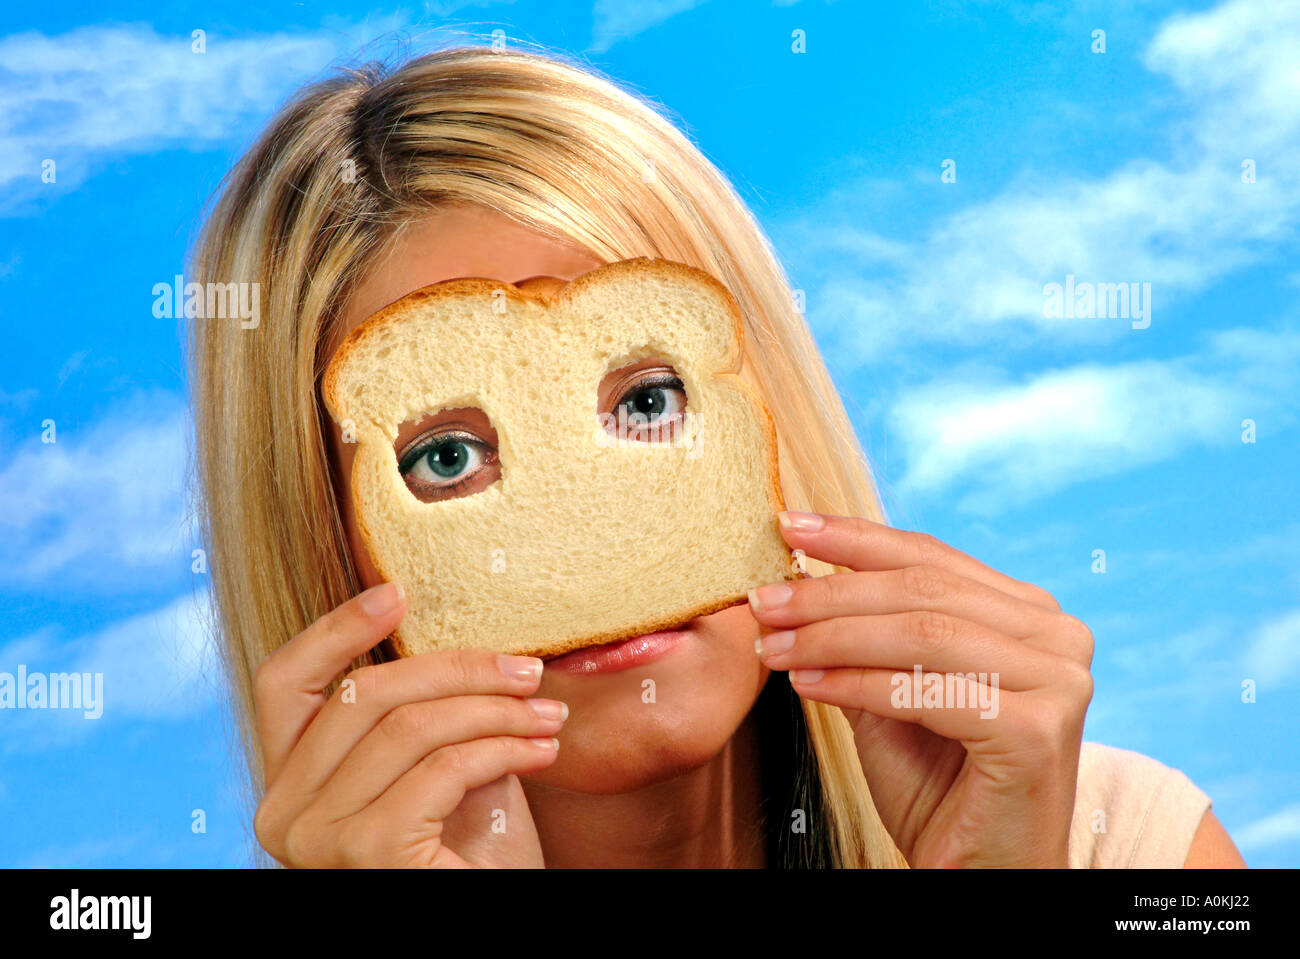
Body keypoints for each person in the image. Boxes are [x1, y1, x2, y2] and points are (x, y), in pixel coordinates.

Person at [187, 45, 1245, 868]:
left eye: (648, 398)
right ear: (322, 542)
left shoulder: (1118, 843)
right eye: (448, 455)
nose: (587, 527)